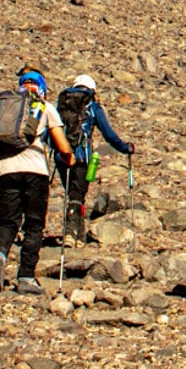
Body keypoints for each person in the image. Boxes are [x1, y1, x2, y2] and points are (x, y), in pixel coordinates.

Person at [0, 68, 74, 294]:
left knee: (8, 222)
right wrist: (70, 158)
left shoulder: (3, 106)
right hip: (35, 170)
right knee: (34, 225)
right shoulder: (44, 107)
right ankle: (26, 277)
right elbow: (62, 146)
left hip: (5, 169)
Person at [55, 73, 135, 243]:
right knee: (77, 194)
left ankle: (79, 233)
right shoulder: (92, 107)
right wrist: (125, 147)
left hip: (61, 156)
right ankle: (70, 233)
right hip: (81, 156)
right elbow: (109, 135)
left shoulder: (62, 105)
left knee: (73, 193)